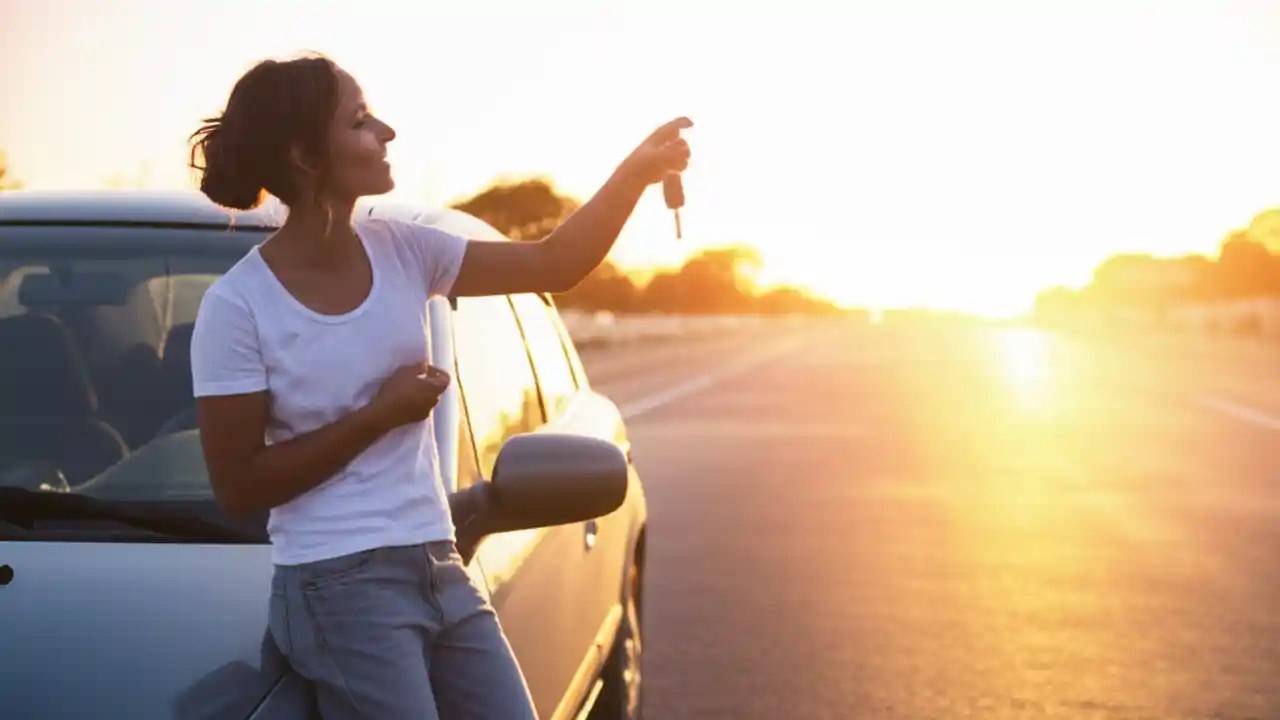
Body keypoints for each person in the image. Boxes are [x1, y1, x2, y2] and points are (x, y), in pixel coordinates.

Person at [187, 53, 690, 719]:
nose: (387, 132)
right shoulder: (239, 306)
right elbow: (239, 485)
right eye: (362, 121)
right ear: (307, 157)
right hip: (336, 585)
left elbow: (555, 263)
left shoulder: (405, 249)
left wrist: (634, 174)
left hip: (435, 561)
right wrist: (378, 415)